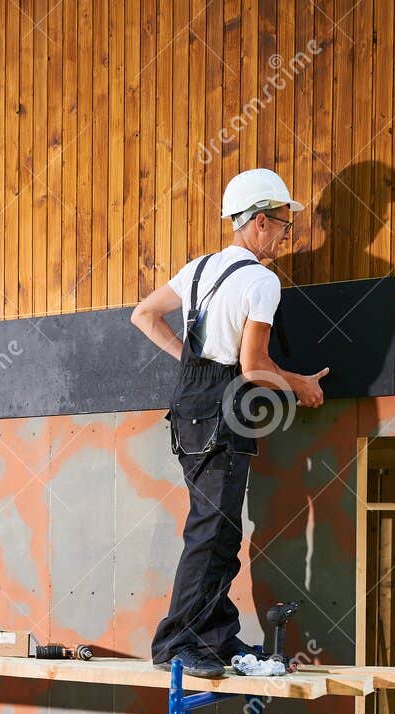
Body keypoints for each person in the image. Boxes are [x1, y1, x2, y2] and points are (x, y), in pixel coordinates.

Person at [130, 169, 329, 677]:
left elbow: (144, 315)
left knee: (215, 524)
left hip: (191, 402)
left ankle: (215, 635)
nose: (288, 233)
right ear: (259, 221)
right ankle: (177, 643)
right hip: (223, 405)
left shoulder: (199, 268)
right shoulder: (261, 281)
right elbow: (254, 368)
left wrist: (187, 361)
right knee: (213, 531)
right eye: (284, 223)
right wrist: (301, 385)